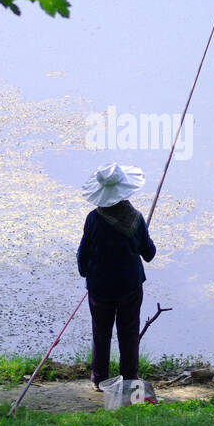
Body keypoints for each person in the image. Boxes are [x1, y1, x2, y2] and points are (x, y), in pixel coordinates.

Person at [77, 163, 157, 391]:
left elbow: (83, 253)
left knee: (100, 332)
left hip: (100, 287)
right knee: (129, 331)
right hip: (129, 286)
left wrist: (86, 274)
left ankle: (99, 378)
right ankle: (130, 378)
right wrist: (142, 236)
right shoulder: (136, 219)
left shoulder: (93, 219)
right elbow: (149, 254)